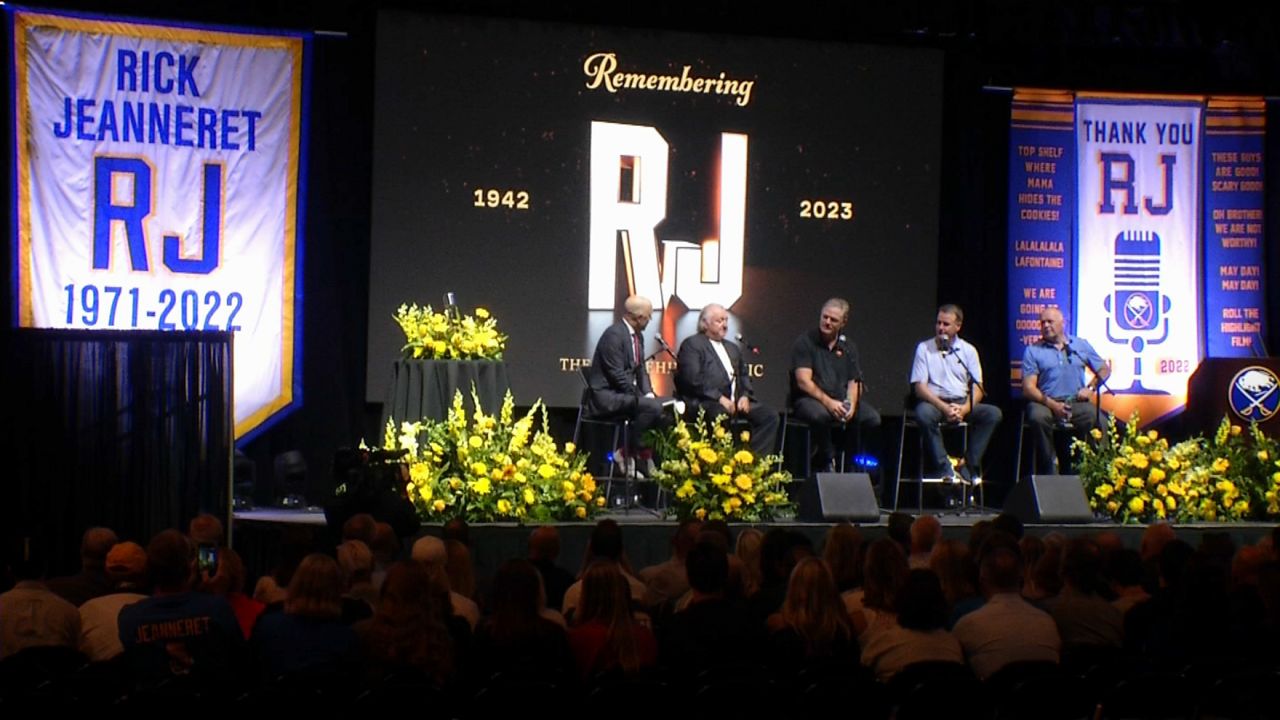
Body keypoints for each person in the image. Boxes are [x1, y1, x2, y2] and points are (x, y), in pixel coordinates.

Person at [910, 304, 1002, 483]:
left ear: (958, 326)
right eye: (938, 323)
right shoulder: (924, 348)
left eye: (946, 324)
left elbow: (978, 387)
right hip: (935, 403)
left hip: (961, 403)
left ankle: (967, 465)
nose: (941, 328)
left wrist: (964, 409)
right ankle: (945, 467)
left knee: (993, 414)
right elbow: (920, 387)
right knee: (923, 413)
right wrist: (944, 408)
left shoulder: (968, 351)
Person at [675, 303, 780, 456]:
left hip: (736, 402)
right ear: (705, 323)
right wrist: (719, 398)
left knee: (769, 416)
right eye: (719, 321)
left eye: (726, 320)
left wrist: (744, 395)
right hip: (706, 401)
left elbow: (744, 375)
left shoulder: (732, 347)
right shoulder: (693, 344)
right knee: (719, 414)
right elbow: (692, 379)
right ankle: (718, 463)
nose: (724, 325)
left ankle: (753, 463)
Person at [789, 298, 881, 471]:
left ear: (843, 322)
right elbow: (803, 381)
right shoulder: (805, 342)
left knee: (872, 419)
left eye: (833, 320)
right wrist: (829, 403)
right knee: (820, 416)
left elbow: (854, 381)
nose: (827, 322)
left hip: (840, 399)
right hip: (810, 399)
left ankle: (847, 459)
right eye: (825, 317)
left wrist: (851, 405)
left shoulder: (848, 347)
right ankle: (826, 458)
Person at [585, 295, 674, 471]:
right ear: (638, 317)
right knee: (652, 407)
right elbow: (617, 375)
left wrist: (649, 394)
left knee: (669, 409)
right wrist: (643, 399)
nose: (650, 320)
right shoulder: (614, 335)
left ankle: (637, 453)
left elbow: (641, 369)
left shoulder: (637, 336)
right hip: (608, 397)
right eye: (649, 316)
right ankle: (630, 454)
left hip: (626, 395)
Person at [1021, 306, 1111, 474]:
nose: (1046, 326)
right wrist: (1053, 405)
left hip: (1074, 402)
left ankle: (1099, 470)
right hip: (1045, 401)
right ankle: (1050, 465)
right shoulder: (1033, 350)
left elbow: (1104, 369)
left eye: (1050, 322)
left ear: (1063, 323)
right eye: (1042, 323)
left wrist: (1090, 388)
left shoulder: (1079, 345)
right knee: (1037, 417)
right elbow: (1028, 388)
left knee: (1099, 419)